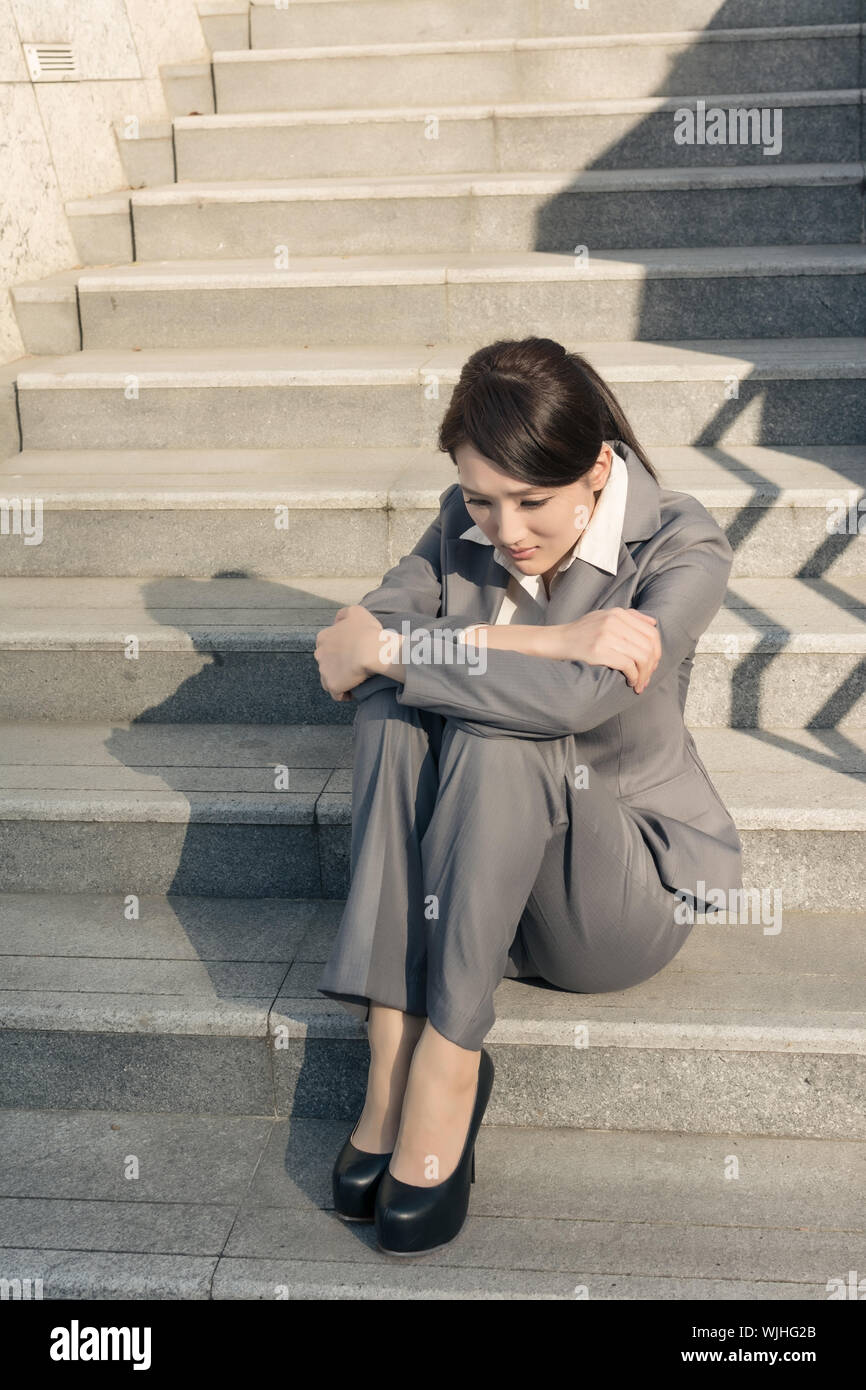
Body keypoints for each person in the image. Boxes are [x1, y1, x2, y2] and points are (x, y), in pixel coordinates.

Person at [313, 336, 743, 1257]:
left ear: (594, 469)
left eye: (533, 502)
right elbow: (361, 635)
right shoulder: (459, 517)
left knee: (497, 730)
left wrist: (403, 652)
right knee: (392, 713)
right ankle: (392, 1050)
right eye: (481, 499)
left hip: (613, 891)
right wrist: (550, 639)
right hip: (481, 883)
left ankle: (448, 1062)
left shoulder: (683, 544)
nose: (506, 531)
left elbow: (581, 699)